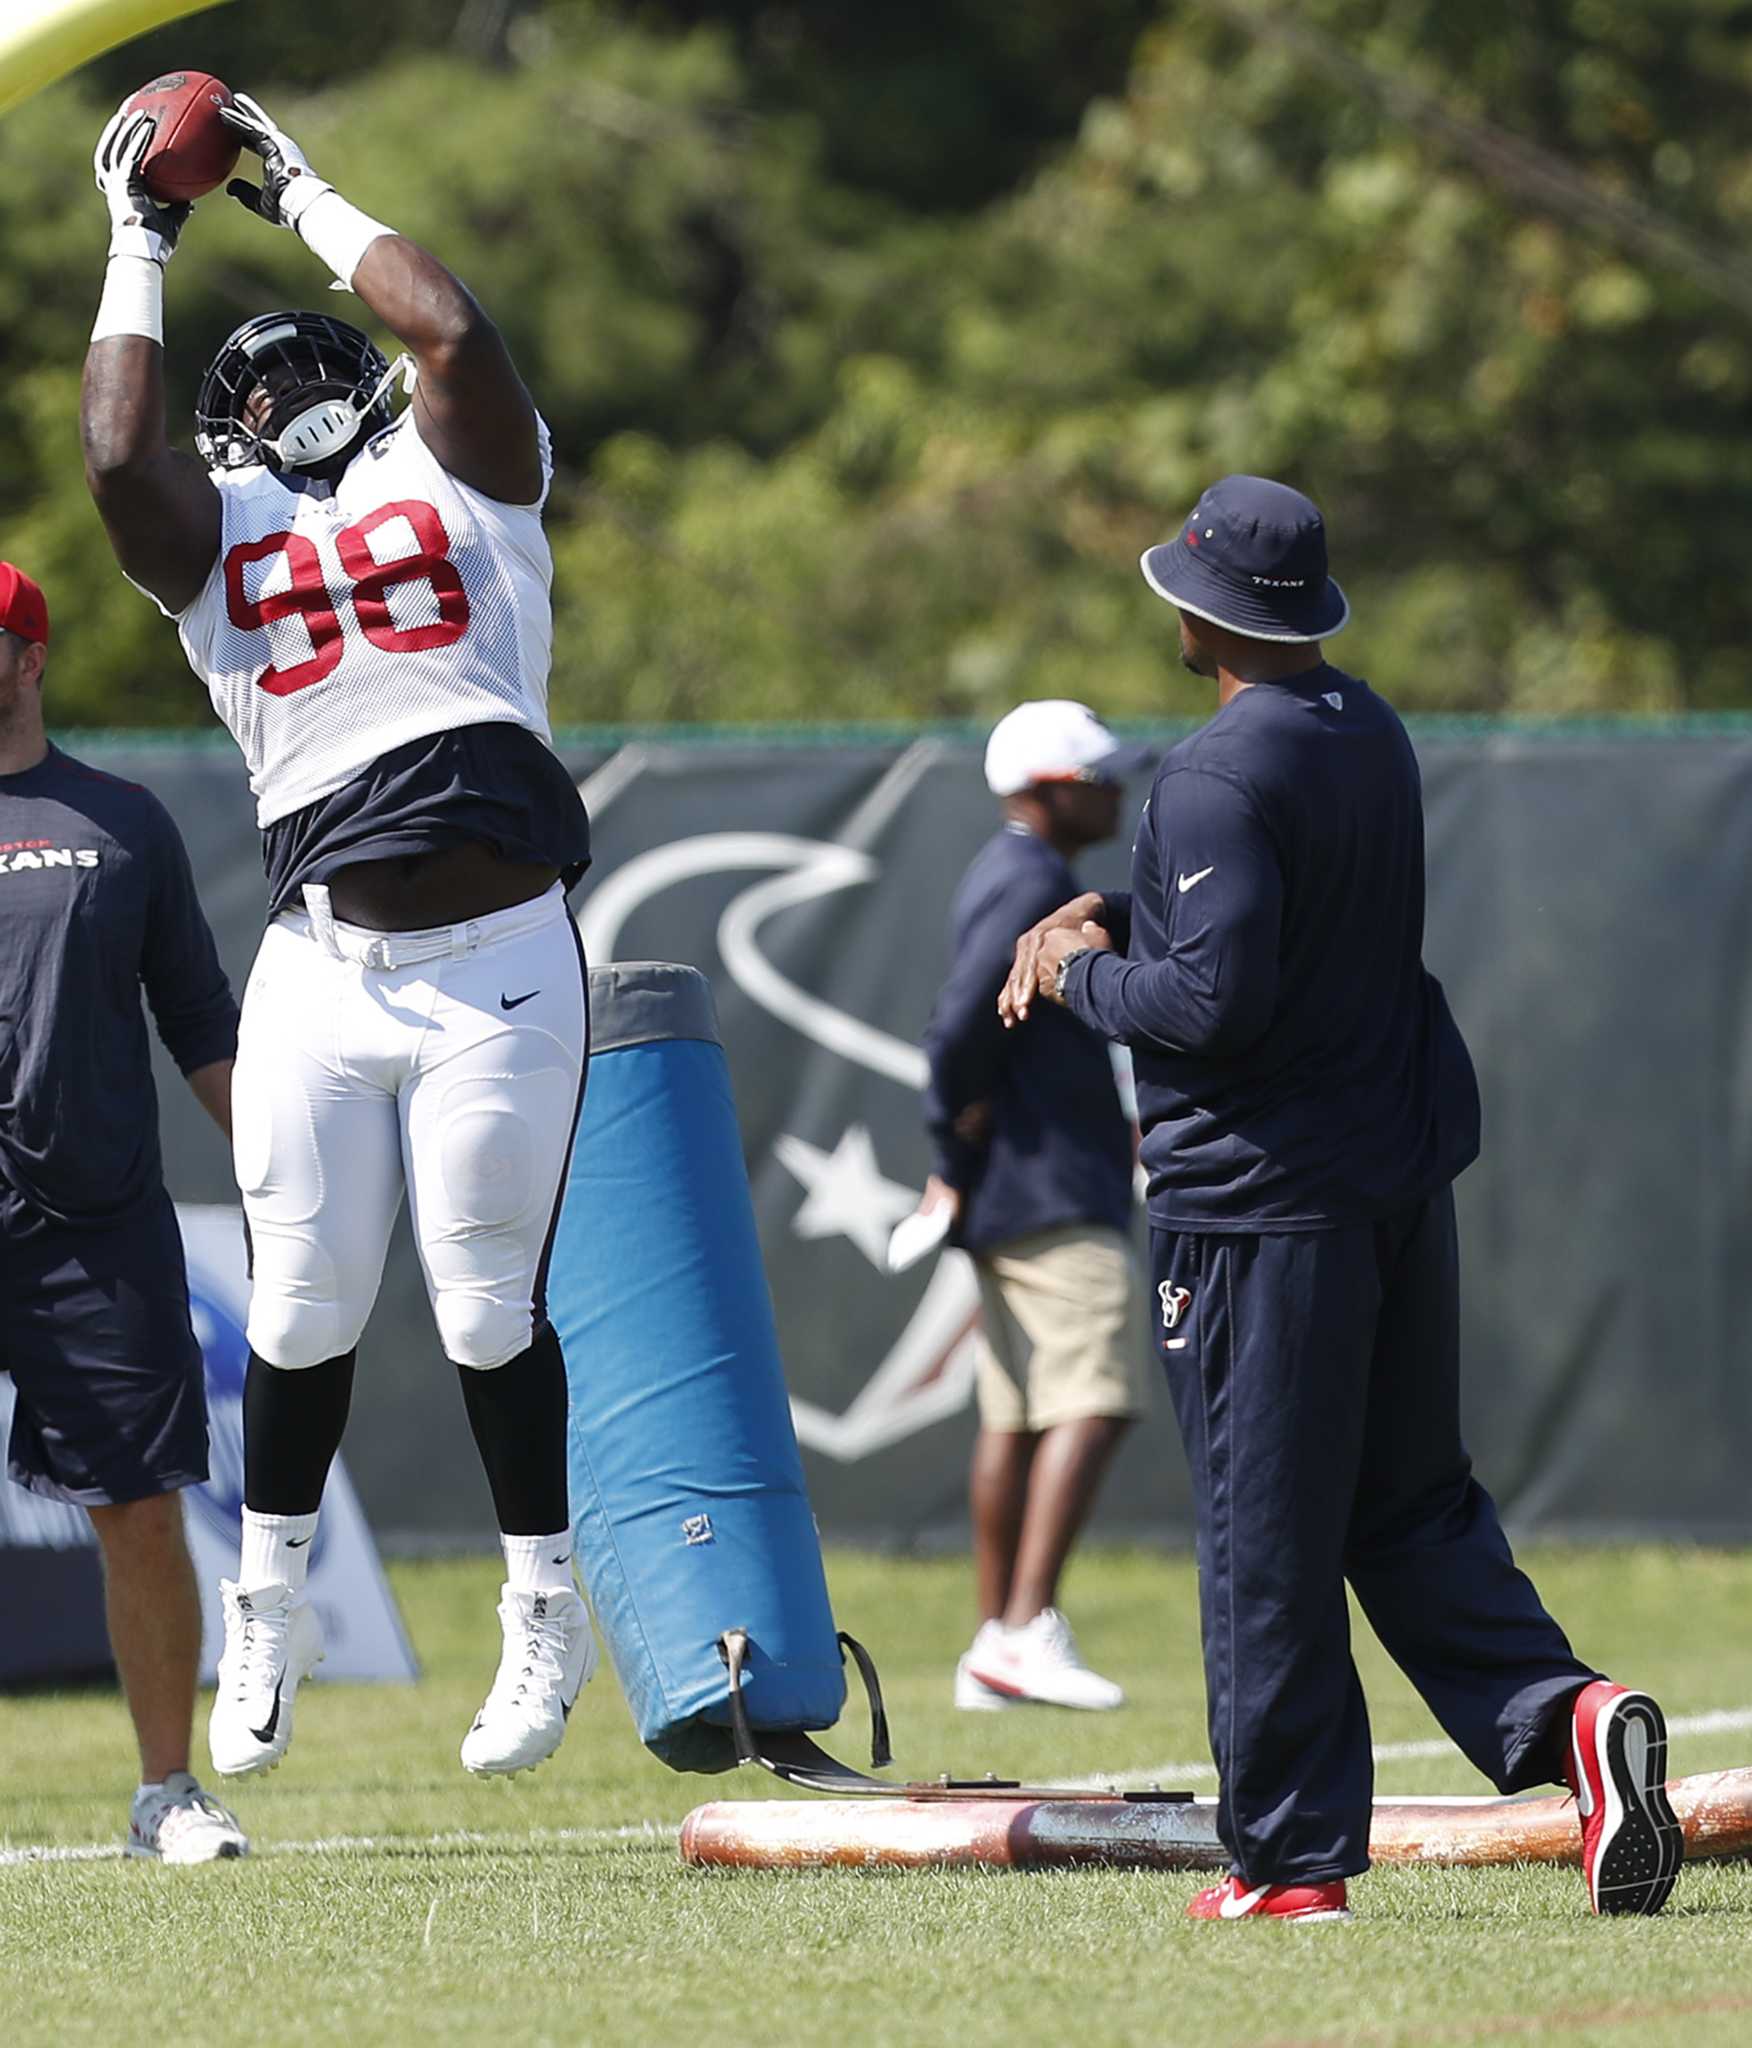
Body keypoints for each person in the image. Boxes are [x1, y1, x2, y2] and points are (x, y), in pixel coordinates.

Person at [1000, 476, 1682, 1921]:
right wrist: (1113, 906)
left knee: (1268, 1536)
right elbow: (1274, 910)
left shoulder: (1212, 772)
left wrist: (1075, 970)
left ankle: (1289, 1866)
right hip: (1390, 1182)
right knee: (1409, 1508)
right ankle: (1571, 1718)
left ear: (1205, 610)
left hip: (1260, 1211)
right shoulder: (1364, 729)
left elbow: (1214, 997)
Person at [81, 91, 596, 1783]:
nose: (288, 400)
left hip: (502, 958)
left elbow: (448, 323)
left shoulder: (467, 472)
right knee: (301, 1313)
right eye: (256, 390)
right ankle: (267, 1608)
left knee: (479, 1310)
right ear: (224, 434)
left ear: (366, 391)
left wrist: (289, 187)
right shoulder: (213, 538)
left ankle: (541, 1608)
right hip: (324, 967)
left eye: (315, 371)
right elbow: (109, 454)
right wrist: (138, 245)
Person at [0, 562, 247, 1862]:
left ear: (28, 655)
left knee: (139, 1507)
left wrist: (284, 1176)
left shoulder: (122, 822)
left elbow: (201, 1019)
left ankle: (168, 1792)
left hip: (93, 1226)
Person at [913, 701, 1151, 1711]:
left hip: (1017, 1184)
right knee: (1094, 1396)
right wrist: (947, 1136)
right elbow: (962, 1019)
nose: (1117, 791)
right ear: (1054, 785)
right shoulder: (1033, 881)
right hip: (1051, 1185)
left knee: (1014, 1411)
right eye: (1100, 776)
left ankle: (993, 1643)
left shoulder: (1006, 871)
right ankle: (1023, 1627)